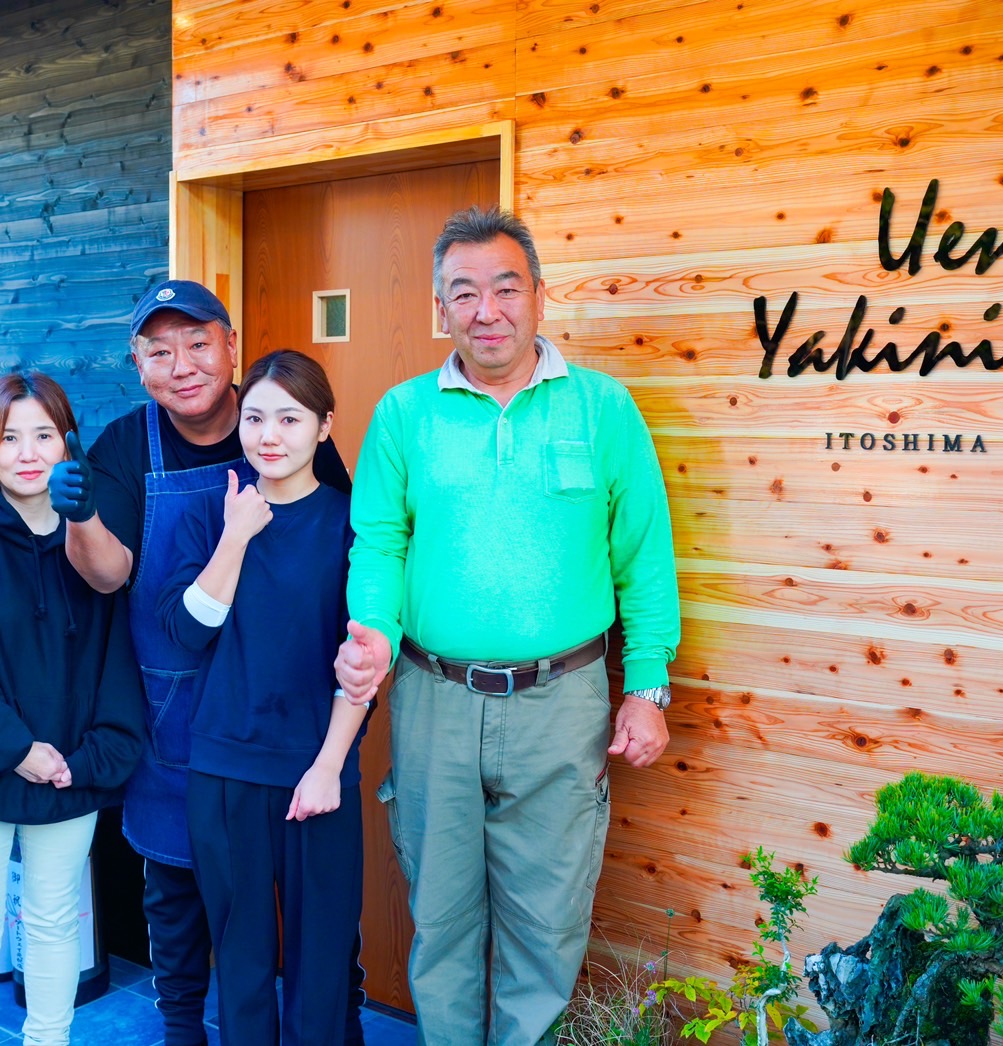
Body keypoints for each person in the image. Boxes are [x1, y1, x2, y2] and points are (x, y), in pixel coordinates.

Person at [336, 207, 682, 1044]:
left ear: (538, 295)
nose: (486, 311)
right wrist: (371, 631)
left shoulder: (602, 409)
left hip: (562, 705)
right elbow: (379, 543)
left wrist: (648, 685)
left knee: (547, 926)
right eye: (464, 293)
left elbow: (644, 557)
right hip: (433, 698)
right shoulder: (403, 415)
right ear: (440, 309)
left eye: (505, 288)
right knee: (441, 921)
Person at [47, 281, 362, 1046]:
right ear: (138, 364)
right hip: (175, 715)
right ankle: (183, 1032)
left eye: (197, 343)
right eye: (159, 351)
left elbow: (349, 589)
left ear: (230, 345)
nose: (181, 365)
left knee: (320, 931)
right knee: (184, 899)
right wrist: (79, 516)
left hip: (297, 723)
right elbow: (112, 575)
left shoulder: (293, 440)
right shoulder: (129, 448)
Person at [0, 371, 145, 1046]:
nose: (27, 453)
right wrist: (16, 750)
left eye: (44, 435)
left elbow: (114, 657)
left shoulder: (90, 541)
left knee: (52, 922)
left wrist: (91, 756)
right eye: (9, 437)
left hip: (69, 764)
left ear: (69, 443)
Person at [158, 349, 367, 1044]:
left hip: (320, 774)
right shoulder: (212, 513)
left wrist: (329, 767)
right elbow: (189, 631)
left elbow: (362, 662)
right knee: (242, 967)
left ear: (324, 426)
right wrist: (237, 535)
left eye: (289, 419)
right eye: (254, 418)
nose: (268, 435)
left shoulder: (351, 525)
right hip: (224, 773)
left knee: (322, 967)